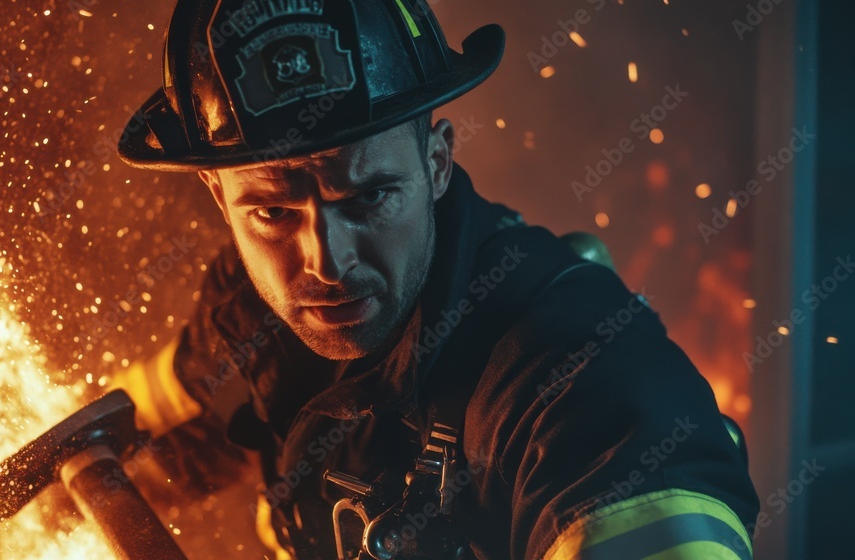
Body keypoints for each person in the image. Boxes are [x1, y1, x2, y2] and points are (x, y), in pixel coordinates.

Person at [116, 0, 760, 558]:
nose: (326, 264)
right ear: (217, 196)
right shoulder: (245, 305)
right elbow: (165, 424)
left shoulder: (575, 375)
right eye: (274, 212)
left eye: (369, 198)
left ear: (438, 161)